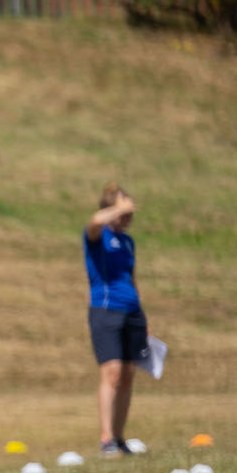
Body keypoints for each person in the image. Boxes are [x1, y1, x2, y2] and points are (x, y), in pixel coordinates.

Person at [85, 183, 148, 455]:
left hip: (132, 311)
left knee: (128, 375)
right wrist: (117, 207)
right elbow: (95, 221)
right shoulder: (98, 236)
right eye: (123, 205)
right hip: (106, 310)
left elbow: (132, 280)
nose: (128, 211)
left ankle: (120, 438)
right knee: (111, 373)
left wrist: (143, 316)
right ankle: (106, 438)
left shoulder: (127, 242)